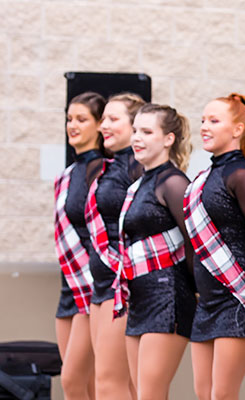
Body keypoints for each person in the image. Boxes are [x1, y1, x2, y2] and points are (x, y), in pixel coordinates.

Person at [184, 93, 245, 400]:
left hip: (238, 298)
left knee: (222, 396)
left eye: (214, 121)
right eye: (203, 120)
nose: (204, 127)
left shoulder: (243, 177)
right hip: (208, 301)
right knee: (204, 395)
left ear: (238, 129)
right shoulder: (204, 177)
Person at [116, 104, 196, 399]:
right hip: (139, 298)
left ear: (168, 139)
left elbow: (195, 243)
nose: (137, 138)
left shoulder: (174, 182)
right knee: (139, 392)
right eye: (136, 130)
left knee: (150, 393)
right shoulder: (140, 184)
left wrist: (196, 290)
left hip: (168, 297)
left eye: (147, 132)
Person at [85, 92, 145, 399]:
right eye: (103, 118)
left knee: (111, 383)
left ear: (135, 125)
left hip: (123, 286)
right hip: (100, 285)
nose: (103, 125)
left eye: (113, 119)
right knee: (111, 382)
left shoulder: (139, 167)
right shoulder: (105, 167)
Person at [54, 92, 106, 400]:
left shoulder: (104, 171)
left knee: (73, 382)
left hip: (92, 286)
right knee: (82, 387)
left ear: (100, 125)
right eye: (69, 119)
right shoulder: (67, 175)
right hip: (68, 288)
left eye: (82, 119)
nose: (73, 125)